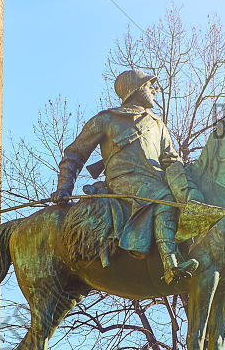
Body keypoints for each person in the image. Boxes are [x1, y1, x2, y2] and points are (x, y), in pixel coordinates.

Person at [50, 68, 200, 283]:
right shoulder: (106, 119)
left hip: (156, 181)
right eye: (150, 86)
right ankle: (171, 264)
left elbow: (171, 159)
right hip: (124, 181)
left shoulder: (157, 124)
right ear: (135, 90)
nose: (155, 89)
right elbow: (75, 153)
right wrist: (64, 187)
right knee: (164, 199)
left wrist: (186, 185)